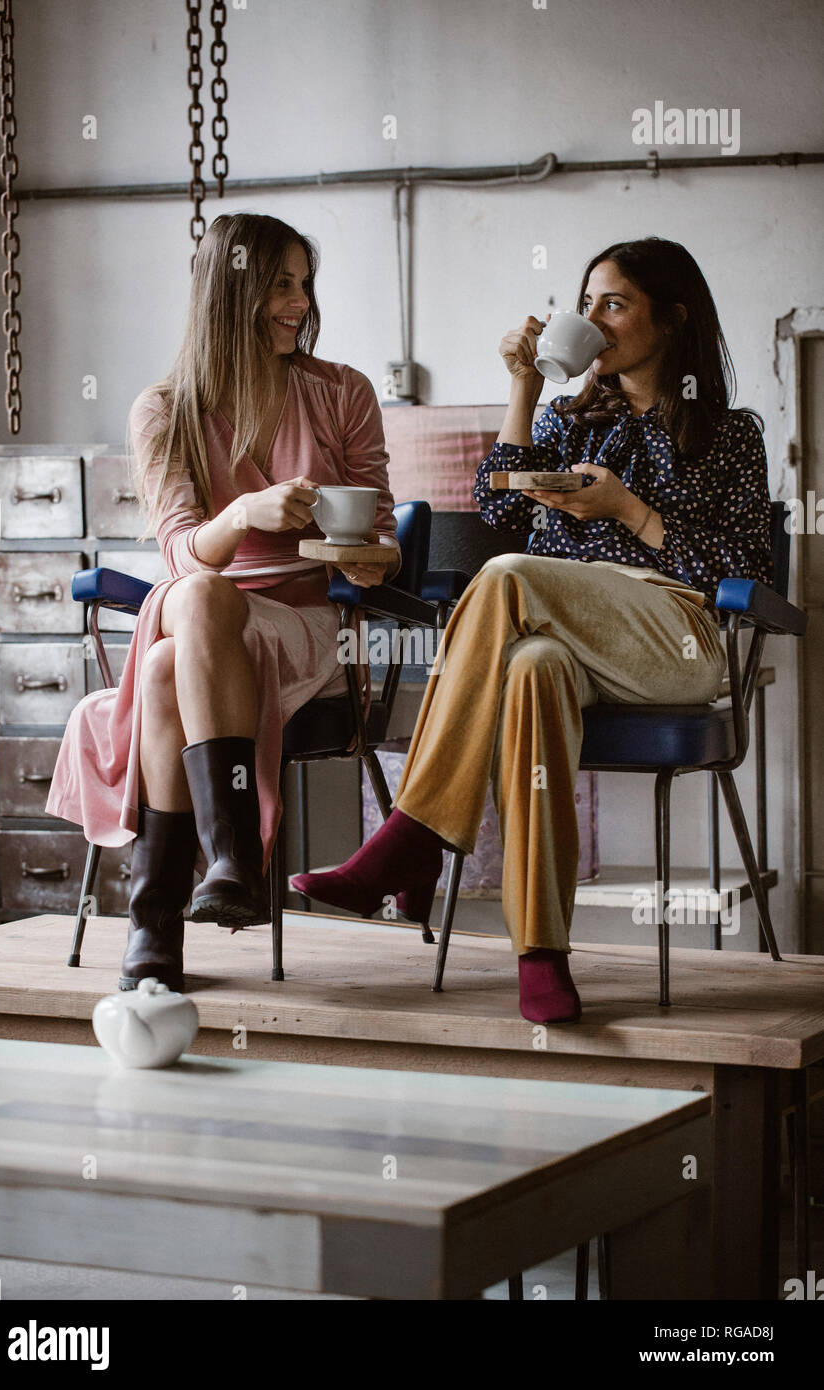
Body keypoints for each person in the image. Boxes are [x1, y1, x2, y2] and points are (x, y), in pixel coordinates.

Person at [293, 237, 773, 1024]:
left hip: (673, 636)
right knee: (532, 669)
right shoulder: (570, 419)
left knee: (507, 575)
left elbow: (743, 568)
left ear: (674, 317)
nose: (593, 319)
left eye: (613, 303)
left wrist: (628, 511)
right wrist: (521, 385)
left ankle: (412, 836)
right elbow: (498, 506)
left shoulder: (730, 433)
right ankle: (541, 953)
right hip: (553, 632)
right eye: (586, 305)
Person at [45, 212, 400, 993]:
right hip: (203, 601)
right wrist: (243, 516)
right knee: (202, 595)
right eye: (281, 283)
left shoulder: (341, 392)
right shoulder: (164, 408)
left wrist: (364, 559)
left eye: (306, 284)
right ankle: (232, 855)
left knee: (172, 666)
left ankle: (156, 924)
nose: (300, 302)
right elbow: (177, 551)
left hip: (304, 627)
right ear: (230, 288)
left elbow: (382, 534)